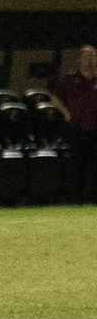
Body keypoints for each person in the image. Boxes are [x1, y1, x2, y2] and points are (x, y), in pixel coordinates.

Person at [49, 43, 97, 202]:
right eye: (86, 56)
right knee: (77, 165)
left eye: (92, 56)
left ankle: (92, 199)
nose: (89, 59)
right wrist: (65, 112)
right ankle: (76, 200)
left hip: (94, 129)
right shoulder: (70, 79)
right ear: (80, 59)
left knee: (94, 167)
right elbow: (54, 98)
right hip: (76, 129)